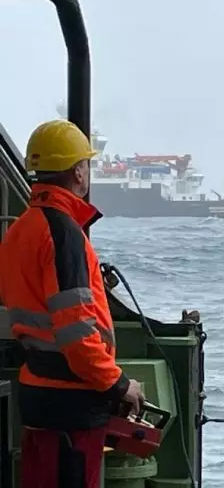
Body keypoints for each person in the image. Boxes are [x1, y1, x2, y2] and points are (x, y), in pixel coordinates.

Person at [0, 119, 144, 488]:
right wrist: (120, 384)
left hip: (38, 394)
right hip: (71, 403)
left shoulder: (20, 229)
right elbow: (76, 332)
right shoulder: (64, 233)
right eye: (87, 165)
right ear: (79, 171)